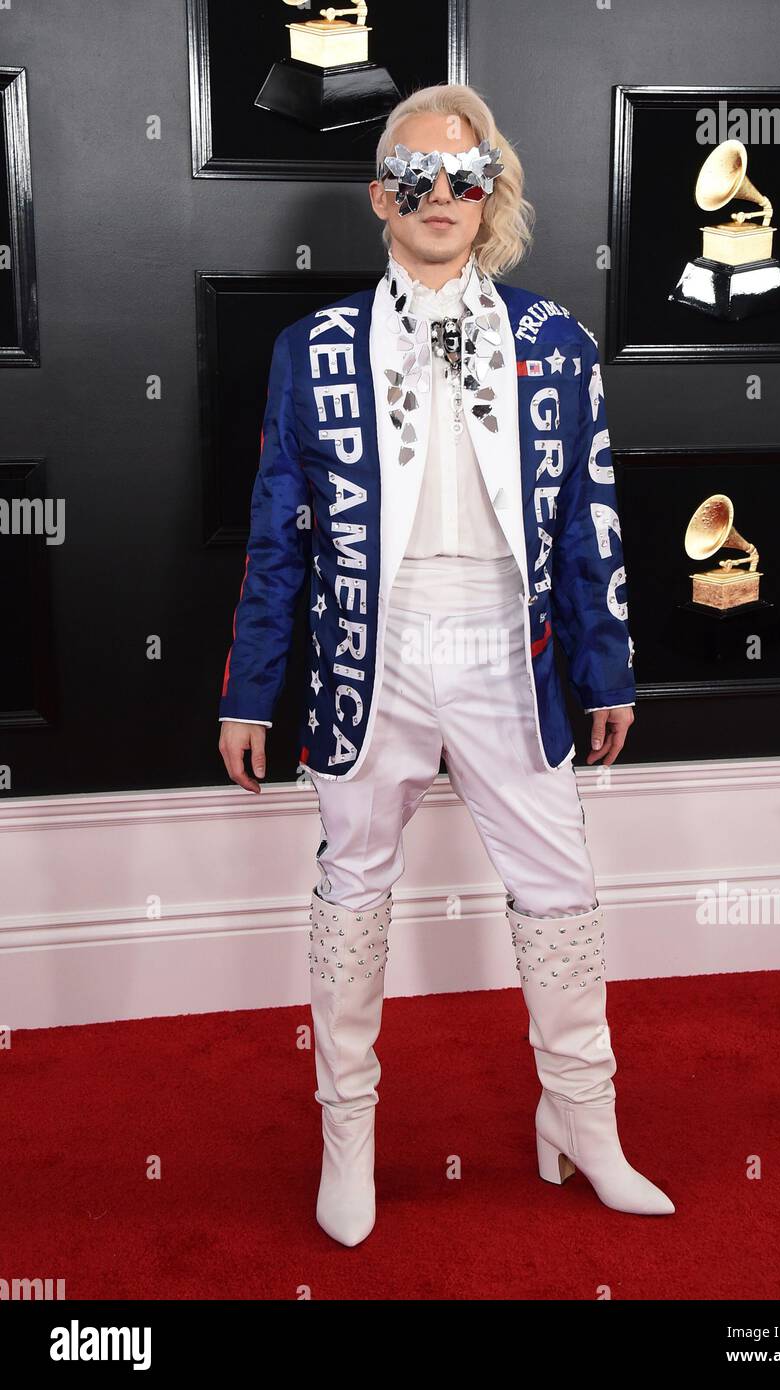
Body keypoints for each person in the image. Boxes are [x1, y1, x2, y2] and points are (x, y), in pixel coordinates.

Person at [218, 83, 674, 1247]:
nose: (440, 197)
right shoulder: (310, 348)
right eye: (415, 176)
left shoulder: (555, 342)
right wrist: (247, 690)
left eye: (463, 175)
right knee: (353, 892)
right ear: (381, 193)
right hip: (366, 650)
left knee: (560, 888)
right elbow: (278, 532)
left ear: (490, 191)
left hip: (507, 651)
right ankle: (348, 1139)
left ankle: (582, 1121)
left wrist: (605, 665)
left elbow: (589, 517)